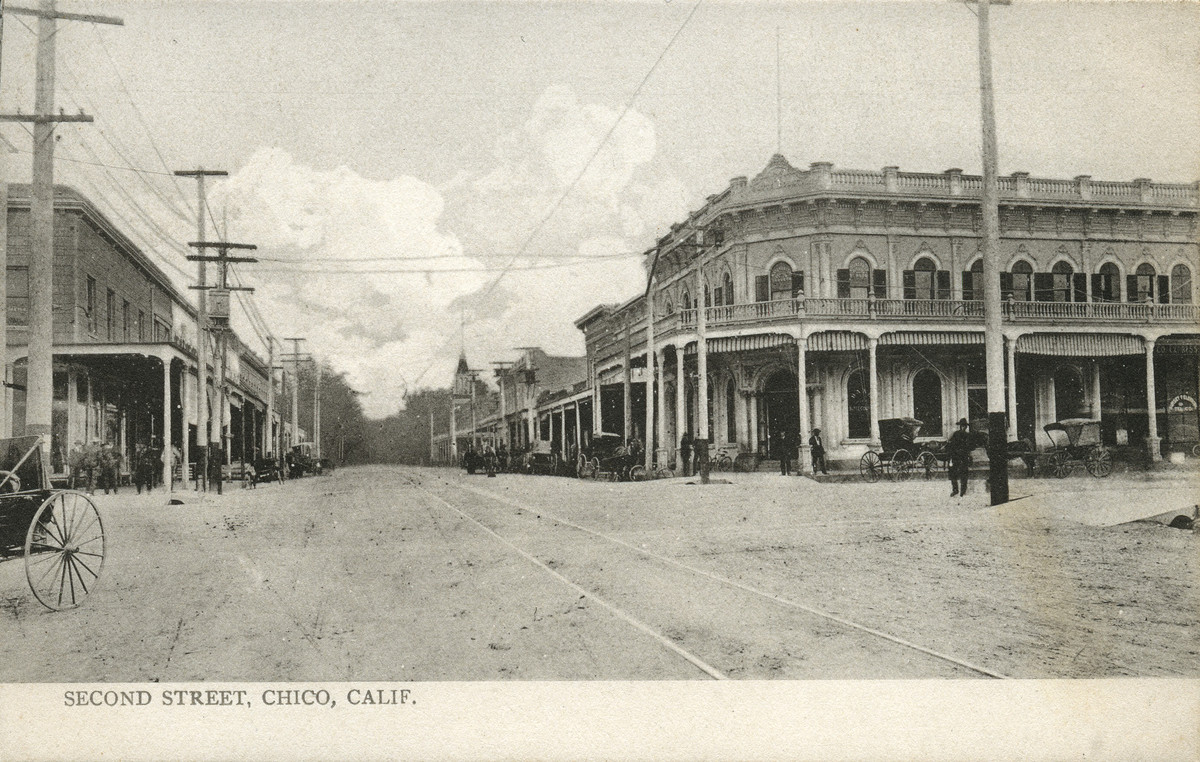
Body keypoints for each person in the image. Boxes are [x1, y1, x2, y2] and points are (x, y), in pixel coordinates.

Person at [947, 418, 973, 497]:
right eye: (962, 426)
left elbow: (969, 447)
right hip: (956, 456)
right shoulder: (955, 434)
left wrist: (969, 455)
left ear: (966, 427)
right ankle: (955, 490)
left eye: (964, 426)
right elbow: (950, 444)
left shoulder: (968, 435)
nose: (963, 427)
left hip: (964, 456)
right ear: (960, 426)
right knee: (953, 473)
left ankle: (963, 491)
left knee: (964, 474)